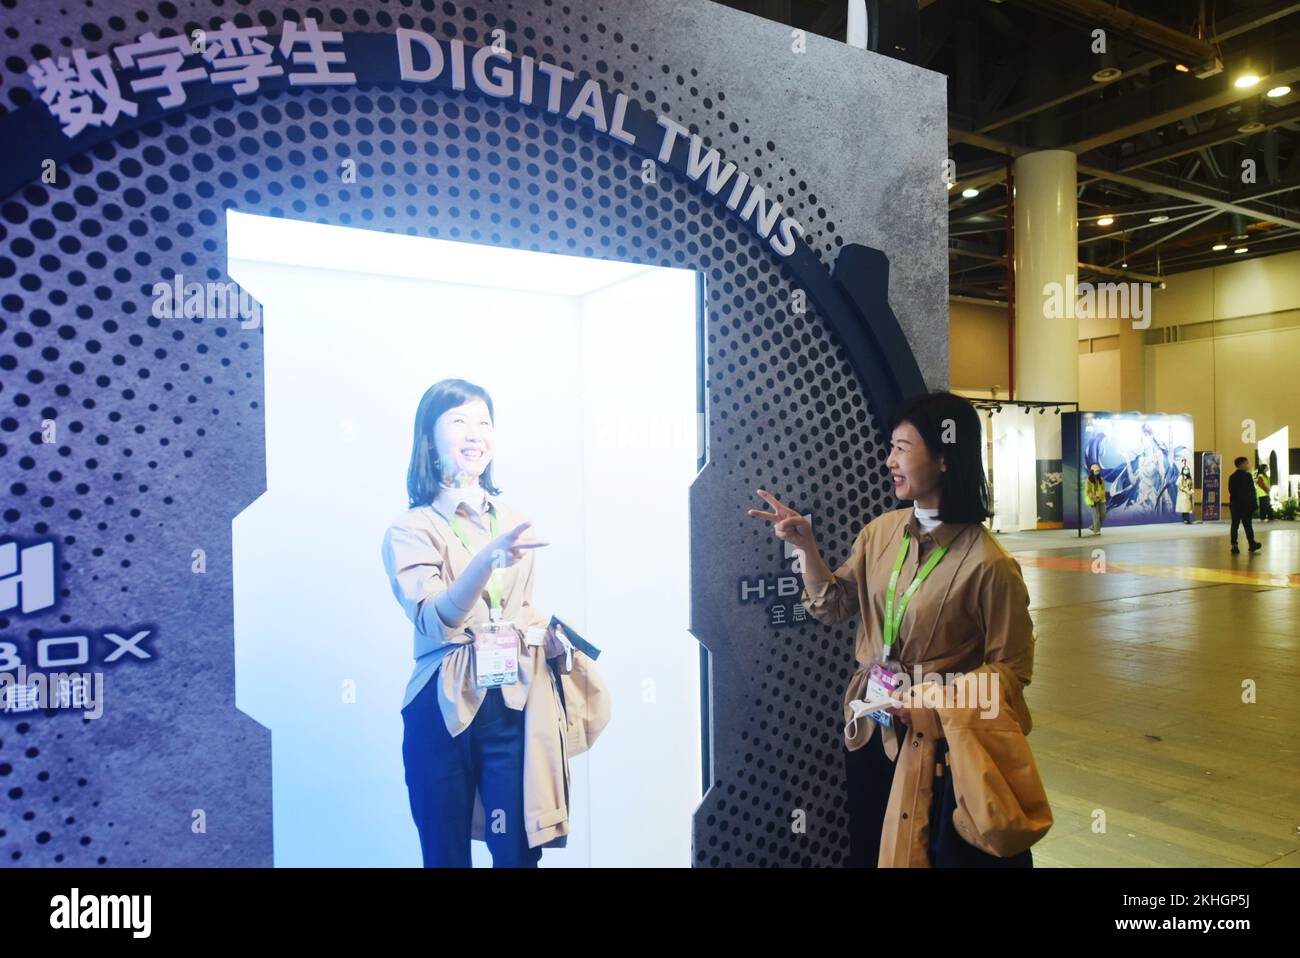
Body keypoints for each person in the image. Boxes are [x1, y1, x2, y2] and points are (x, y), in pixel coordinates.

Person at [748, 391, 1038, 868]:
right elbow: (834, 606)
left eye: (902, 447)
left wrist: (935, 699)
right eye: (892, 447)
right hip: (873, 726)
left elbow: (1013, 670)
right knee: (873, 847)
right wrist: (807, 550)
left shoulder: (990, 564)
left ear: (944, 457)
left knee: (932, 854)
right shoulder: (880, 533)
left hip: (944, 747)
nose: (889, 461)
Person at [381, 378, 576, 867]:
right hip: (440, 707)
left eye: (484, 422)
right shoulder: (412, 527)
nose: (476, 434)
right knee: (445, 856)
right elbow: (434, 618)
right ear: (429, 439)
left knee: (518, 851)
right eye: (459, 421)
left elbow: (516, 608)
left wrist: (549, 638)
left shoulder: (511, 517)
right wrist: (485, 561)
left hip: (508, 700)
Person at [1228, 456, 1262, 555]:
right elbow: (1251, 492)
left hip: (1235, 505)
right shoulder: (1247, 476)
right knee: (1248, 525)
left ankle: (1234, 545)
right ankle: (1252, 544)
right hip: (1245, 506)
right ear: (1241, 464)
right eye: (1247, 463)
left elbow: (1231, 491)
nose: (1248, 465)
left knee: (1235, 525)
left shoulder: (1232, 476)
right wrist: (1254, 505)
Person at [1084, 462, 1107, 535]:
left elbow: (1103, 489)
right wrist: (1094, 498)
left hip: (1101, 499)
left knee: (1103, 514)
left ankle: (1093, 526)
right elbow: (1087, 492)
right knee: (1096, 516)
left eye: (1098, 470)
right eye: (1096, 470)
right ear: (1092, 471)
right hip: (1092, 501)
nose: (1097, 472)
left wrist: (1100, 496)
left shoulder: (1101, 479)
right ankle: (1097, 531)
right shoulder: (1088, 480)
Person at [1176, 457, 1194, 524]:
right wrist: (1185, 490)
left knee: (1187, 508)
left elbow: (1190, 486)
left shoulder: (1189, 478)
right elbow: (1179, 485)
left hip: (1188, 495)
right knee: (1184, 508)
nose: (1186, 470)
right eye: (1185, 469)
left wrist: (1191, 491)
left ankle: (1187, 519)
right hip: (1182, 494)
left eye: (1187, 469)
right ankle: (1185, 519)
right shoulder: (1180, 477)